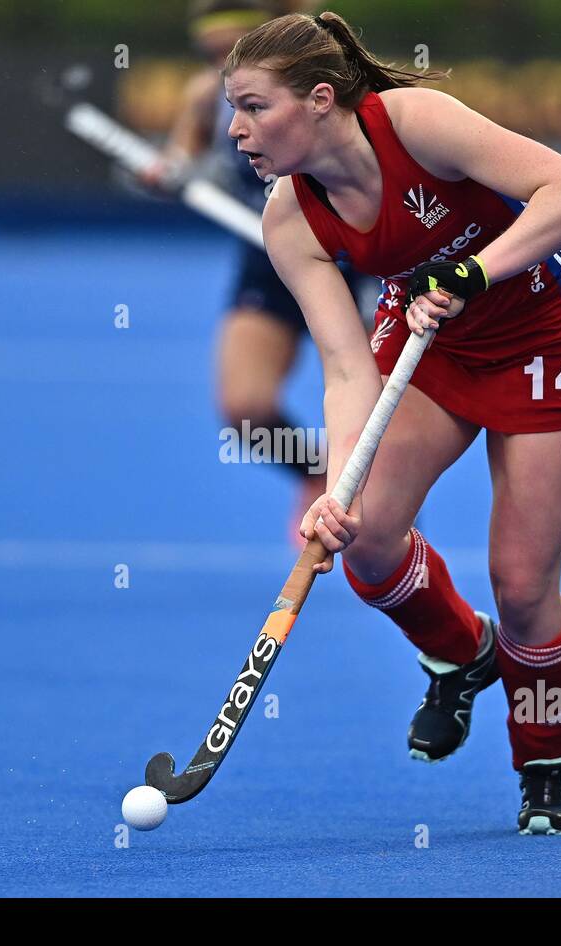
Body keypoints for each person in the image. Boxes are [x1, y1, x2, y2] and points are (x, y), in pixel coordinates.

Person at [223, 11, 561, 834]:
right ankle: (460, 651)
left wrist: (475, 270)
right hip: (431, 339)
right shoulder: (288, 218)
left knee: (521, 586)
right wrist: (337, 485)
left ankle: (547, 764)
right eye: (235, 109)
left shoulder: (417, 124)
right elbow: (342, 367)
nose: (236, 130)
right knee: (363, 532)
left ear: (320, 100)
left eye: (254, 107)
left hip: (547, 336)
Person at [141, 0, 376, 544]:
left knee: (378, 406)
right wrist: (168, 171)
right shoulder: (206, 97)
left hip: (357, 258)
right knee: (245, 410)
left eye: (234, 49)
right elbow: (185, 159)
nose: (224, 63)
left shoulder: (327, 85)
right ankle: (317, 472)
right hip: (270, 256)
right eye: (214, 53)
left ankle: (381, 509)